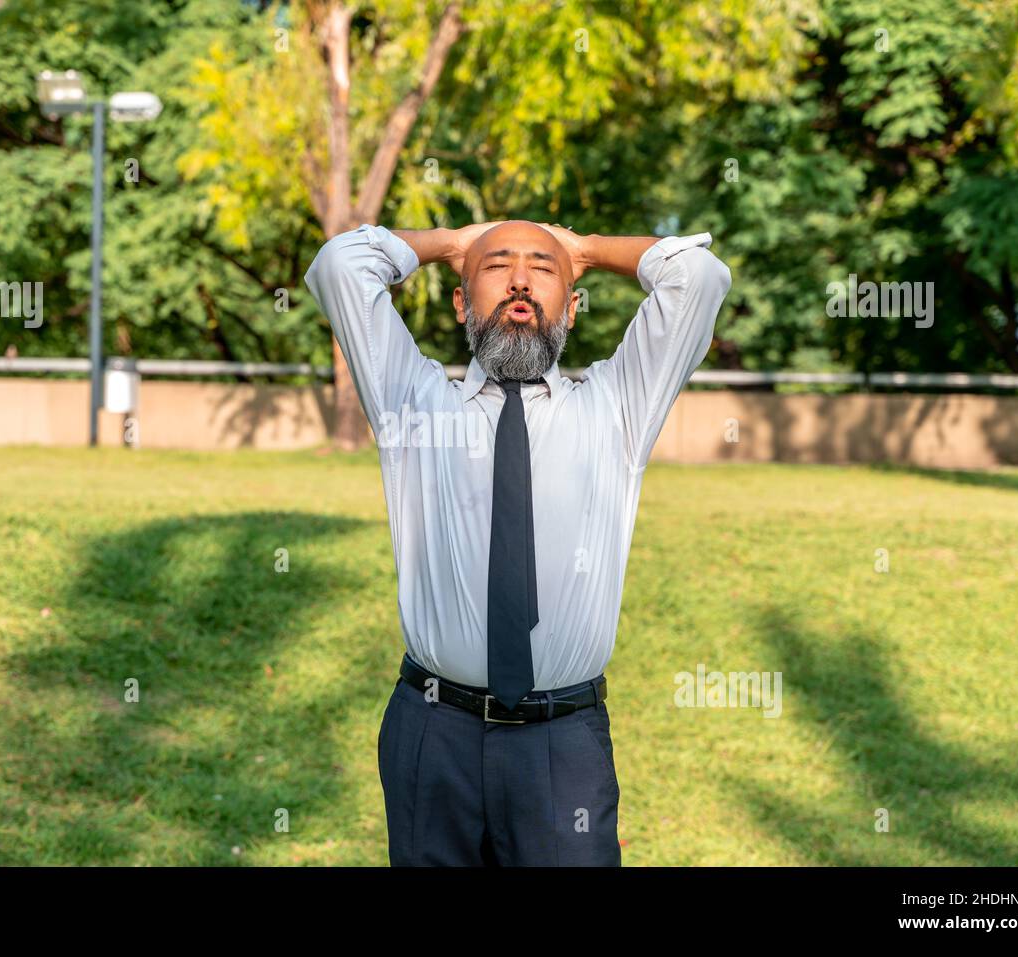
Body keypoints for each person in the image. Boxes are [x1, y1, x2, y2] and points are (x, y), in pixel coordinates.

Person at [304, 219, 731, 865]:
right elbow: (341, 266)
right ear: (459, 300)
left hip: (563, 747)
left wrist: (585, 248)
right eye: (497, 265)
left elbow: (698, 277)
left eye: (544, 267)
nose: (521, 281)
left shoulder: (617, 409)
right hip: (432, 734)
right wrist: (451, 243)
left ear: (574, 305)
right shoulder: (412, 405)